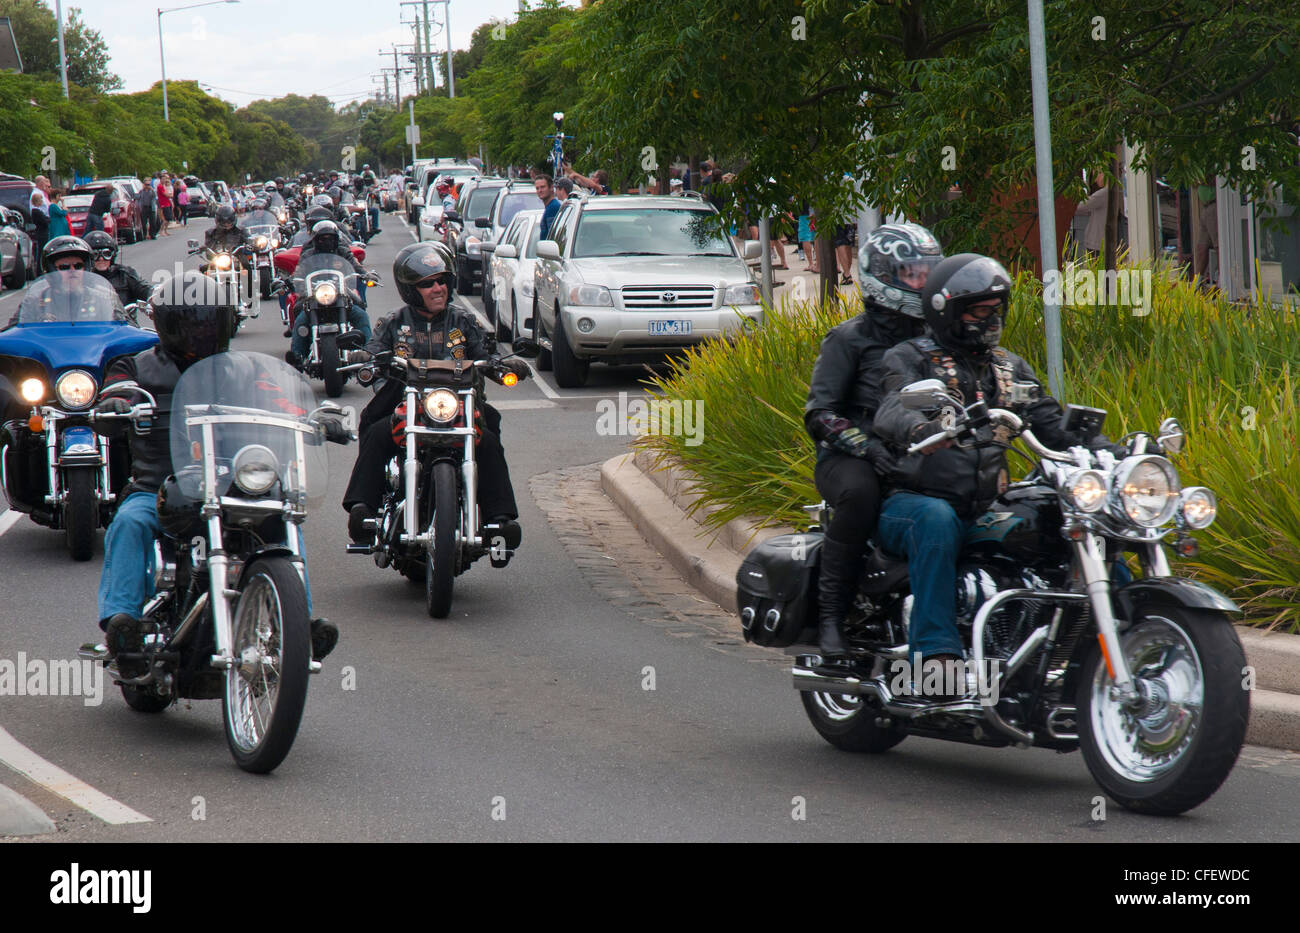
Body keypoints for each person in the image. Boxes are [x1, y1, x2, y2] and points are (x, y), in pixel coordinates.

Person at [871, 253, 1116, 697]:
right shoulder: (910, 358)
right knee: (936, 519)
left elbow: (1050, 423)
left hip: (984, 505)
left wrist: (1110, 451)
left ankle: (1106, 630)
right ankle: (934, 657)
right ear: (947, 312)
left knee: (1058, 517)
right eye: (979, 311)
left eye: (996, 310)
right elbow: (891, 408)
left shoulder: (1009, 367)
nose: (991, 320)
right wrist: (925, 426)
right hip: (909, 502)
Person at [91, 270, 341, 673]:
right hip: (161, 485)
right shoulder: (136, 366)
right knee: (131, 522)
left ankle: (299, 623)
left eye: (209, 321)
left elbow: (284, 401)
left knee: (283, 521)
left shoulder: (246, 370)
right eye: (191, 323)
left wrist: (314, 419)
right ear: (168, 325)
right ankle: (123, 623)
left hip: (235, 482)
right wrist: (115, 403)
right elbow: (115, 391)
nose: (200, 332)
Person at [803, 223, 945, 665]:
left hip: (917, 447)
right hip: (849, 456)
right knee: (861, 493)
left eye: (928, 273)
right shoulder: (848, 338)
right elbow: (819, 414)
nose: (922, 282)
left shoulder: (937, 337)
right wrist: (869, 449)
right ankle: (831, 616)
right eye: (911, 274)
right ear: (881, 274)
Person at [341, 242, 527, 547]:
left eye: (441, 280)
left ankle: (500, 519)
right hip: (405, 403)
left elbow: (485, 353)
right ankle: (364, 510)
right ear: (411, 289)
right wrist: (363, 359)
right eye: (427, 283)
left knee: (490, 437)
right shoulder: (393, 323)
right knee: (374, 428)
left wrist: (502, 365)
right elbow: (373, 352)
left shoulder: (464, 322)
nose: (437, 287)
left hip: (459, 405)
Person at [284, 220, 373, 361]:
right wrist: (291, 279)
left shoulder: (343, 252)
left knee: (361, 314)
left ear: (336, 239)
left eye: (330, 238)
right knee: (300, 317)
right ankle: (298, 356)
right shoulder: (308, 255)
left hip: (341, 294)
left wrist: (365, 274)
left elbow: (355, 265)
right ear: (315, 240)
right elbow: (299, 271)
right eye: (322, 239)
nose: (326, 241)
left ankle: (369, 352)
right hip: (314, 295)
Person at [84, 231, 150, 307]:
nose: (101, 258)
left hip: (123, 317)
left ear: (113, 256)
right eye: (95, 255)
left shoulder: (124, 274)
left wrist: (153, 295)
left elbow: (143, 289)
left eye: (106, 254)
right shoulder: (83, 278)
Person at [535, 173, 559, 239]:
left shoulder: (553, 207)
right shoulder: (549, 207)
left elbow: (552, 236)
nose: (539, 190)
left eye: (542, 187)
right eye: (537, 188)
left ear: (551, 188)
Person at [135, 176, 158, 240]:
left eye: (148, 184)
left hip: (151, 208)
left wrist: (151, 189)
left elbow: (154, 197)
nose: (147, 186)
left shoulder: (152, 191)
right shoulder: (141, 191)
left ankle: (152, 234)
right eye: (146, 184)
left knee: (152, 222)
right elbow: (138, 198)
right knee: (144, 223)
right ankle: (144, 235)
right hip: (144, 208)